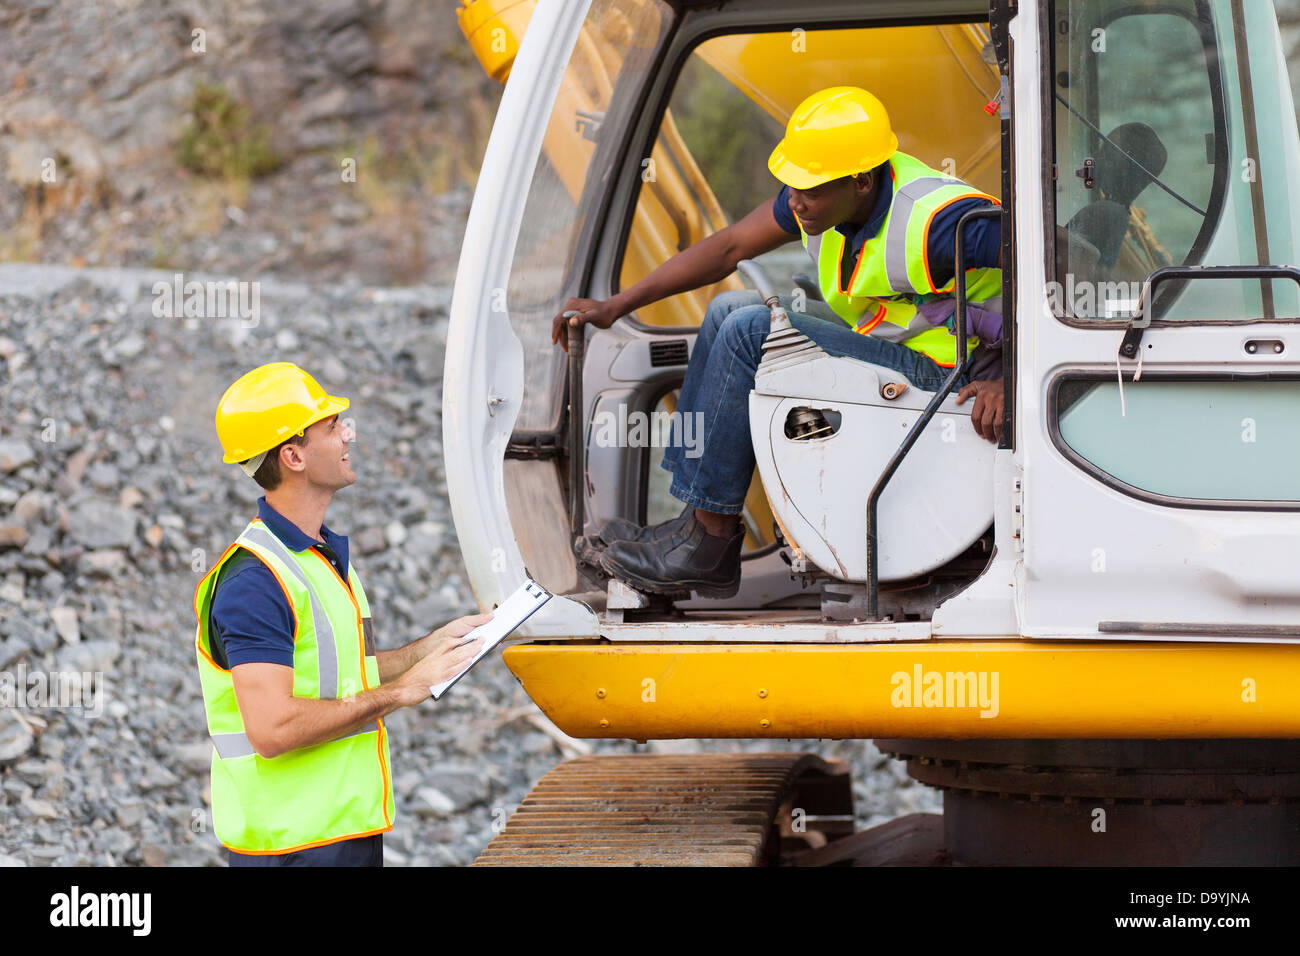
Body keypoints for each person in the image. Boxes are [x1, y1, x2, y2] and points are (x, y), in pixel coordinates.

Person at [549, 86, 1006, 598]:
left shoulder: (939, 223)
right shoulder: (828, 199)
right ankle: (696, 526)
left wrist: (1009, 380)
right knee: (730, 308)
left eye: (808, 189)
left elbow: (1064, 256)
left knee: (751, 332)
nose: (794, 201)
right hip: (902, 361)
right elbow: (729, 248)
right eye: (790, 184)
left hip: (951, 381)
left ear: (860, 180)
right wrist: (618, 304)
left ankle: (709, 541)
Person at [193, 362, 489, 866]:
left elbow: (342, 674)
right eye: (332, 426)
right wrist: (404, 692)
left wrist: (430, 648)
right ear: (293, 456)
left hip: (339, 835)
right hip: (290, 849)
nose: (348, 433)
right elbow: (272, 729)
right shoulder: (254, 581)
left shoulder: (315, 557)